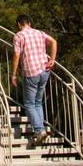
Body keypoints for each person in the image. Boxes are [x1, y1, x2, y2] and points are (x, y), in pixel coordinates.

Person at [10, 14, 57, 146]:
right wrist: (52, 59)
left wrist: (13, 74)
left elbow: (16, 55)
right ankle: (40, 131)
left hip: (31, 72)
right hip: (44, 70)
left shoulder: (18, 36)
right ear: (29, 23)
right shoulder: (39, 33)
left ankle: (39, 131)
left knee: (29, 104)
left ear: (19, 24)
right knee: (38, 102)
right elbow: (54, 41)